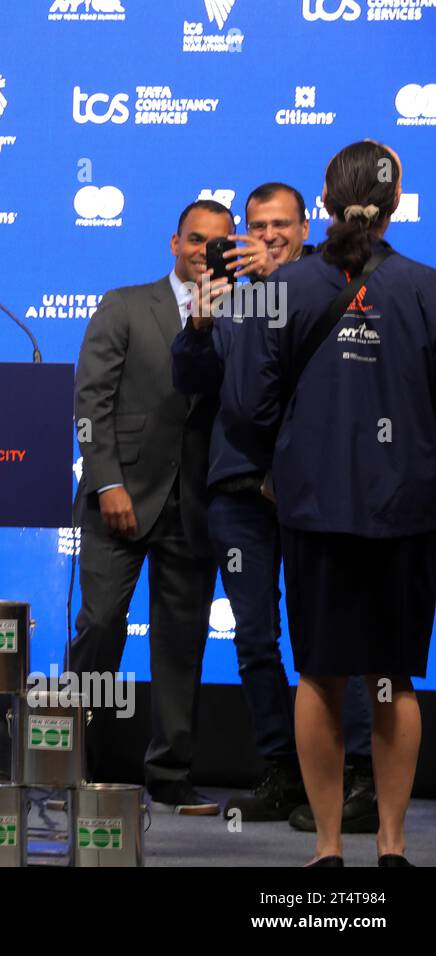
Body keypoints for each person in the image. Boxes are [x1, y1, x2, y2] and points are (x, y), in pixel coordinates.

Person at [224, 141, 434, 866]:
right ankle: (395, 843)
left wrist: (296, 450)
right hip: (406, 513)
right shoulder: (427, 290)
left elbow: (247, 407)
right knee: (393, 677)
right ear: (398, 202)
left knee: (319, 674)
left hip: (313, 510)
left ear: (322, 201)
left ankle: (325, 846)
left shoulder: (282, 291)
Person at [172, 184, 379, 829]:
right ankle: (282, 772)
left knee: (333, 637)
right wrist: (201, 329)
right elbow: (194, 383)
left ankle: (359, 777)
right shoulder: (228, 300)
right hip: (240, 492)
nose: (268, 236)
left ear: (306, 224)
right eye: (256, 227)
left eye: (280, 224)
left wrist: (280, 289)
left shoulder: (340, 285)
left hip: (319, 490)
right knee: (255, 641)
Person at [71, 200, 228, 814]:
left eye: (217, 243)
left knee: (182, 643)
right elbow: (90, 401)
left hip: (195, 503)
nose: (203, 252)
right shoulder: (126, 303)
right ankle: (70, 761)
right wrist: (105, 482)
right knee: (101, 627)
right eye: (194, 239)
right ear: (173, 242)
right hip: (120, 500)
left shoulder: (244, 314)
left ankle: (170, 774)